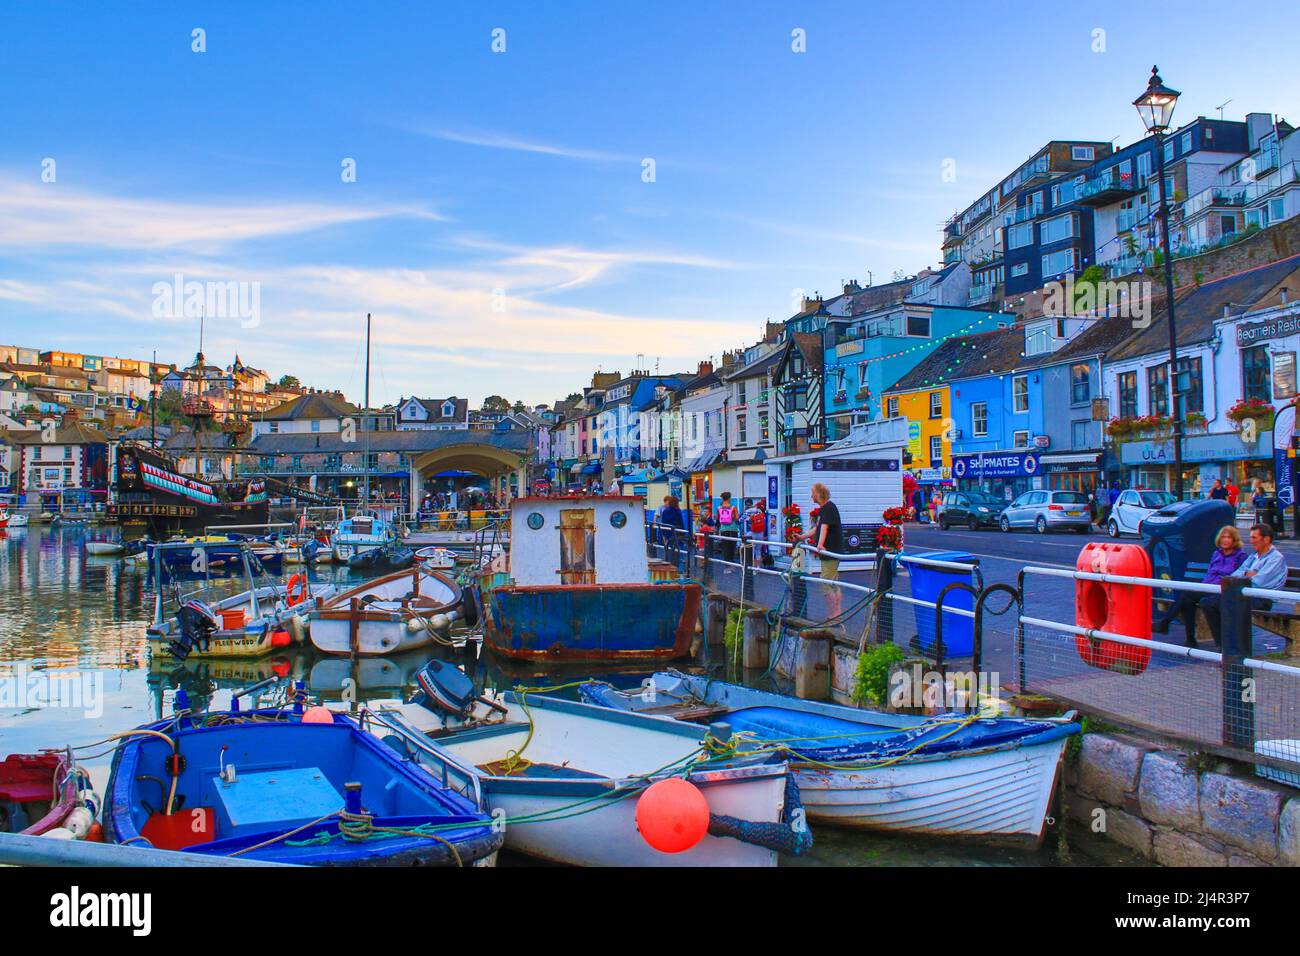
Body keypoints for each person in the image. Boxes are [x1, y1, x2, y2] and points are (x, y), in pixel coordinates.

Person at [1152, 525, 1246, 645]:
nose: (1225, 540)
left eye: (1228, 537)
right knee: (1187, 600)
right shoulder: (1216, 554)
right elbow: (1209, 573)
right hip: (1207, 587)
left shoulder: (1240, 556)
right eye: (1223, 537)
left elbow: (1237, 576)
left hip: (1221, 589)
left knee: (1187, 594)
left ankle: (1165, 623)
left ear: (1234, 540)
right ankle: (1190, 638)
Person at [1198, 523, 1287, 647]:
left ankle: (1235, 646)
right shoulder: (1253, 557)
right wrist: (1248, 573)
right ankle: (1222, 644)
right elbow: (1235, 574)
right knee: (1207, 603)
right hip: (1243, 594)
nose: (1251, 541)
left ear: (1266, 539)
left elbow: (1259, 581)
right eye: (1250, 537)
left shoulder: (1276, 558)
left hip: (1262, 599)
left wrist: (1248, 575)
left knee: (1227, 604)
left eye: (1254, 538)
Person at [802, 482, 844, 618]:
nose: (811, 496)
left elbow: (824, 528)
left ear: (818, 494)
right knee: (832, 582)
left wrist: (820, 545)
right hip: (831, 551)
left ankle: (834, 614)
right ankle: (836, 613)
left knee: (826, 582)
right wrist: (802, 536)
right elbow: (818, 528)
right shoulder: (825, 508)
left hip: (831, 551)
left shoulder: (828, 508)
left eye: (812, 493)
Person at [715, 492, 741, 561]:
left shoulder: (719, 508)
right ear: (729, 498)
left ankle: (727, 566)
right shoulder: (733, 508)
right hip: (733, 529)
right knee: (732, 548)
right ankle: (731, 565)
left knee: (726, 548)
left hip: (723, 529)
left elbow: (717, 518)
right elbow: (737, 518)